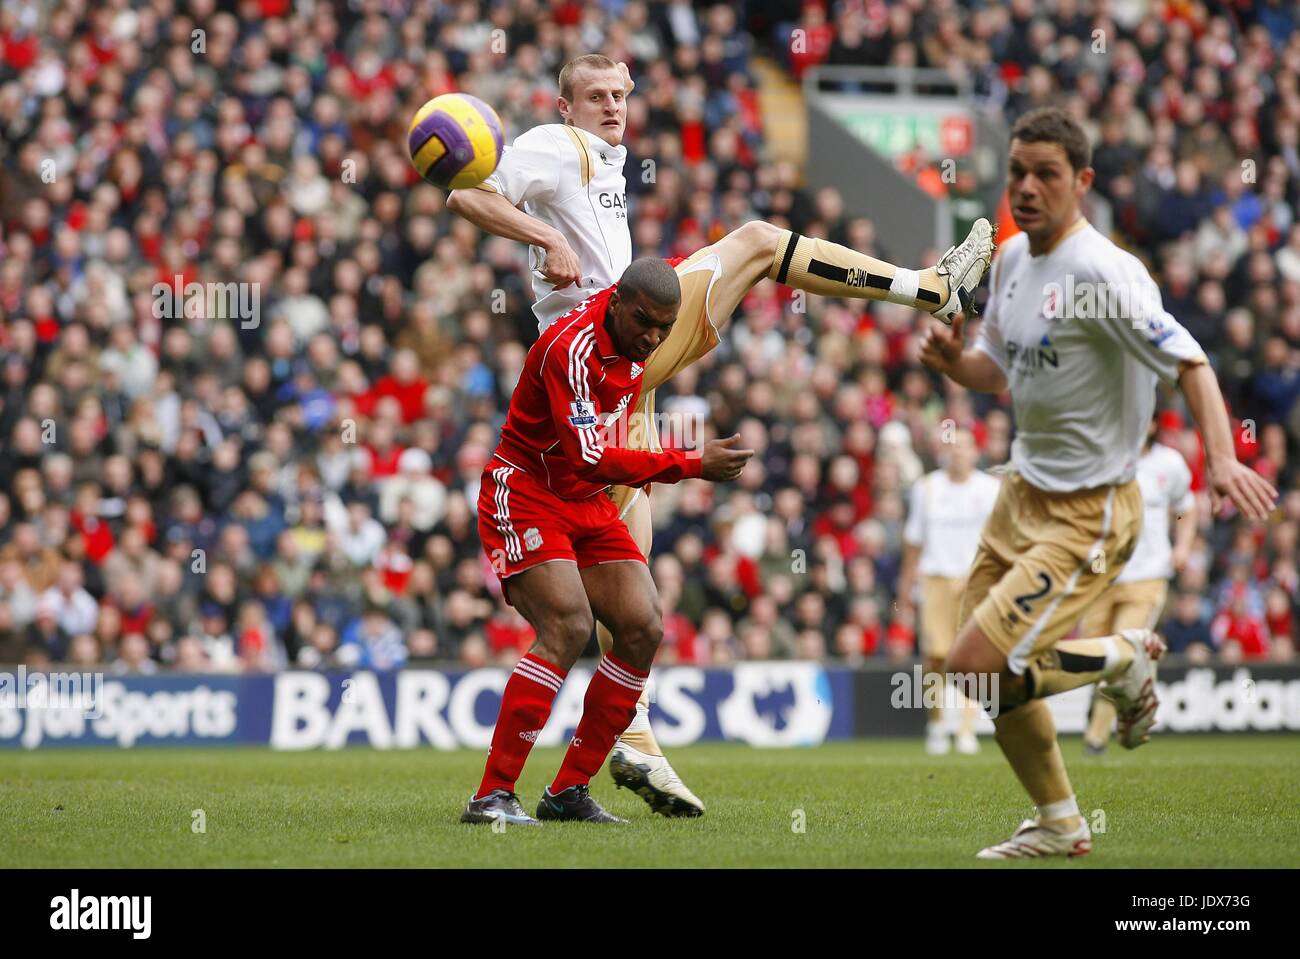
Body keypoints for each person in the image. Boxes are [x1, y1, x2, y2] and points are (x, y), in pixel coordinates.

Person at [449, 53, 994, 816]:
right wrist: (542, 234)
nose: (611, 107)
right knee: (759, 241)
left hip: (619, 379)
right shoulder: (555, 145)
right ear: (564, 105)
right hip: (601, 348)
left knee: (632, 596)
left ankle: (623, 747)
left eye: (620, 94)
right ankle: (932, 288)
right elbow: (467, 191)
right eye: (594, 96)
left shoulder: (604, 156)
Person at [920, 107, 1276, 859]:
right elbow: (1002, 371)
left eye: (1045, 174)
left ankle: (1121, 657)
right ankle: (1060, 821)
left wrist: (1221, 456)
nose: (1026, 187)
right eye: (1017, 171)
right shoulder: (1012, 261)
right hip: (1021, 493)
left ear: (1080, 181)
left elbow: (1191, 361)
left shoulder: (1106, 272)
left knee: (976, 666)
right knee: (980, 678)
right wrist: (956, 364)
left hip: (1090, 511)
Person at [461, 256, 754, 826]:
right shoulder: (568, 350)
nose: (652, 338)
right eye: (643, 322)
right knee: (568, 626)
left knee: (644, 625)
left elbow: (693, 263)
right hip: (524, 491)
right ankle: (492, 795)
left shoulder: (640, 327)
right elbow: (589, 456)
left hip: (584, 502)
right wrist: (691, 462)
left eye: (664, 330)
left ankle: (568, 790)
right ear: (615, 301)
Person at [1079, 414, 1196, 754]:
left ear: (1153, 426)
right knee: (1098, 658)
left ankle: (1096, 737)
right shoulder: (1099, 461)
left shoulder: (1169, 464)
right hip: (1103, 577)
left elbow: (1185, 508)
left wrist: (1183, 546)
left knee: (1120, 649)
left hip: (1147, 576)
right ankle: (1140, 688)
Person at [898, 427, 1002, 755]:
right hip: (935, 579)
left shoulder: (990, 489)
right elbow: (914, 540)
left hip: (974, 580)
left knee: (971, 656)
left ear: (975, 452)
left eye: (964, 447)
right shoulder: (927, 488)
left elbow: (999, 541)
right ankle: (937, 721)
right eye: (953, 447)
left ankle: (967, 727)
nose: (958, 453)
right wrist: (905, 584)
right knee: (935, 655)